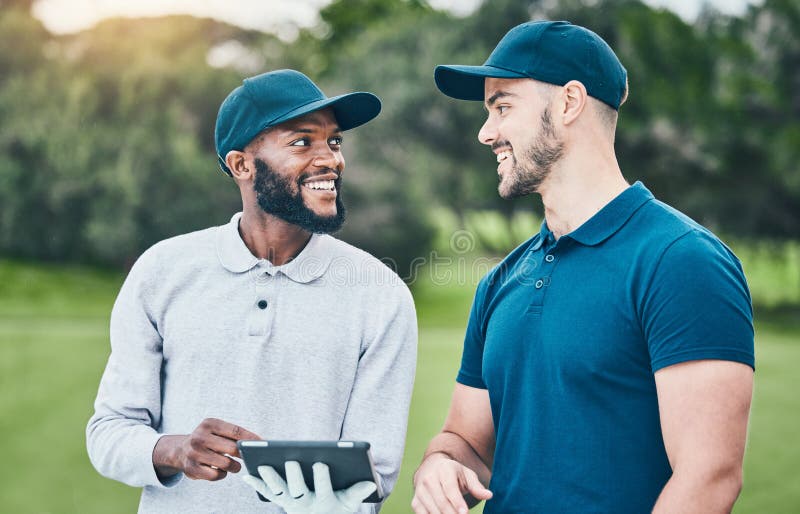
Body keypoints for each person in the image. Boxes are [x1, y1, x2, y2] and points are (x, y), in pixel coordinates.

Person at [412, 20, 754, 514]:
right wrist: (439, 465)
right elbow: (465, 440)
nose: (486, 132)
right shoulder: (500, 281)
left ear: (569, 103)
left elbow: (709, 478)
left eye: (502, 106)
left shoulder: (682, 261)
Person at [86, 69, 417, 513]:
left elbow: (374, 477)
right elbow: (109, 430)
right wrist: (175, 450)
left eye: (334, 142)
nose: (331, 160)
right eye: (303, 142)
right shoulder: (162, 271)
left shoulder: (381, 293)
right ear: (242, 164)